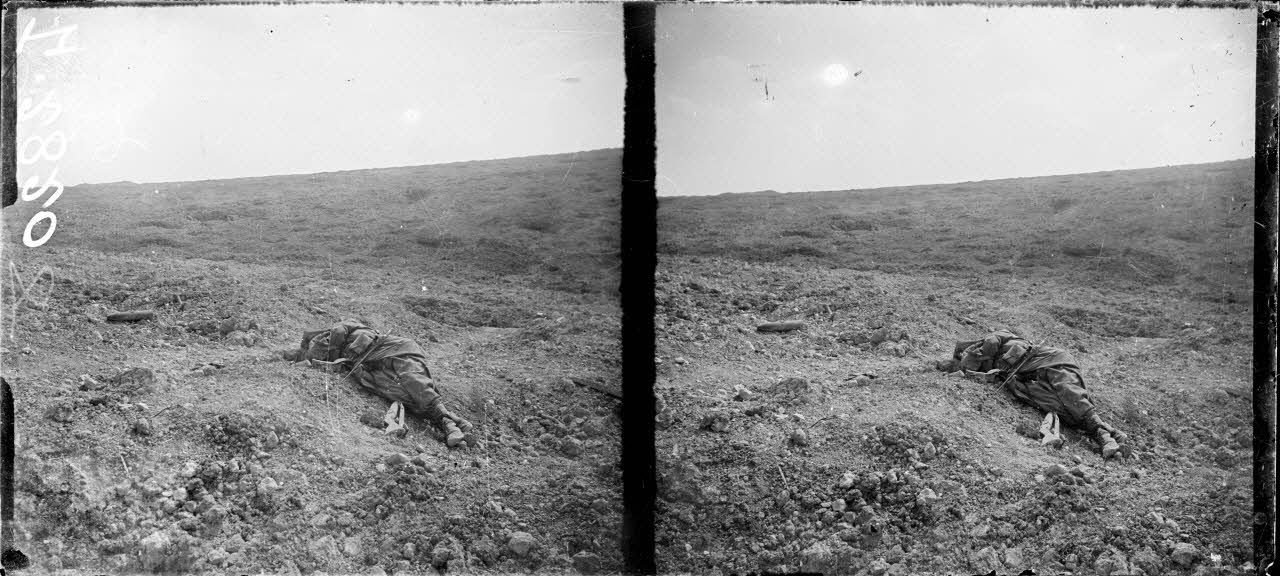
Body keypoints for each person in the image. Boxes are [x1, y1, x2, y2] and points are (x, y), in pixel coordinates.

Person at [937, 329, 1130, 459]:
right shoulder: (990, 369)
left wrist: (968, 361)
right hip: (1027, 378)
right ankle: (1108, 433)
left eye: (963, 355)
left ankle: (1103, 435)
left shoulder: (993, 338)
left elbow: (989, 345)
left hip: (1051, 361)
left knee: (1070, 394)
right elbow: (979, 373)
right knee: (1058, 406)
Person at [283, 319, 473, 448]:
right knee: (398, 392)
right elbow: (313, 358)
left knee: (412, 379)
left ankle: (448, 422)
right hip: (367, 366)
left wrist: (326, 352)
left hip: (390, 349)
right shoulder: (329, 353)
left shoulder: (342, 328)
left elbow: (337, 335)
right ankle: (449, 422)